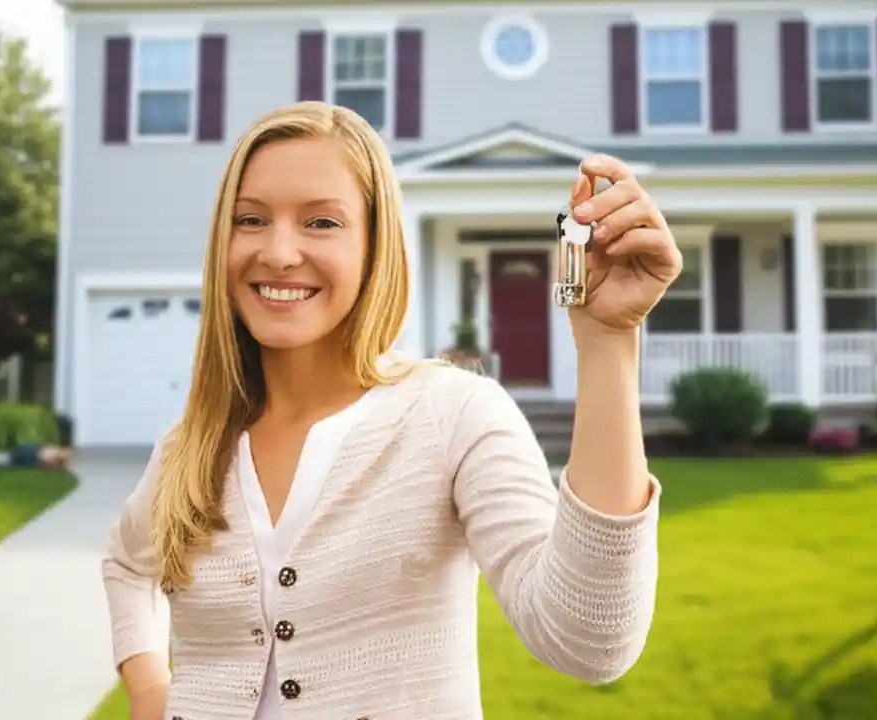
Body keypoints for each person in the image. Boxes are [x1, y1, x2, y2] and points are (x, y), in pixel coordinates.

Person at [101, 101, 682, 720]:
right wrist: (147, 689)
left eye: (321, 223)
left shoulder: (451, 415)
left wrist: (607, 344)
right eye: (251, 219)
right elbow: (126, 563)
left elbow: (588, 639)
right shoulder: (189, 446)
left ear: (375, 245)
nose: (278, 251)